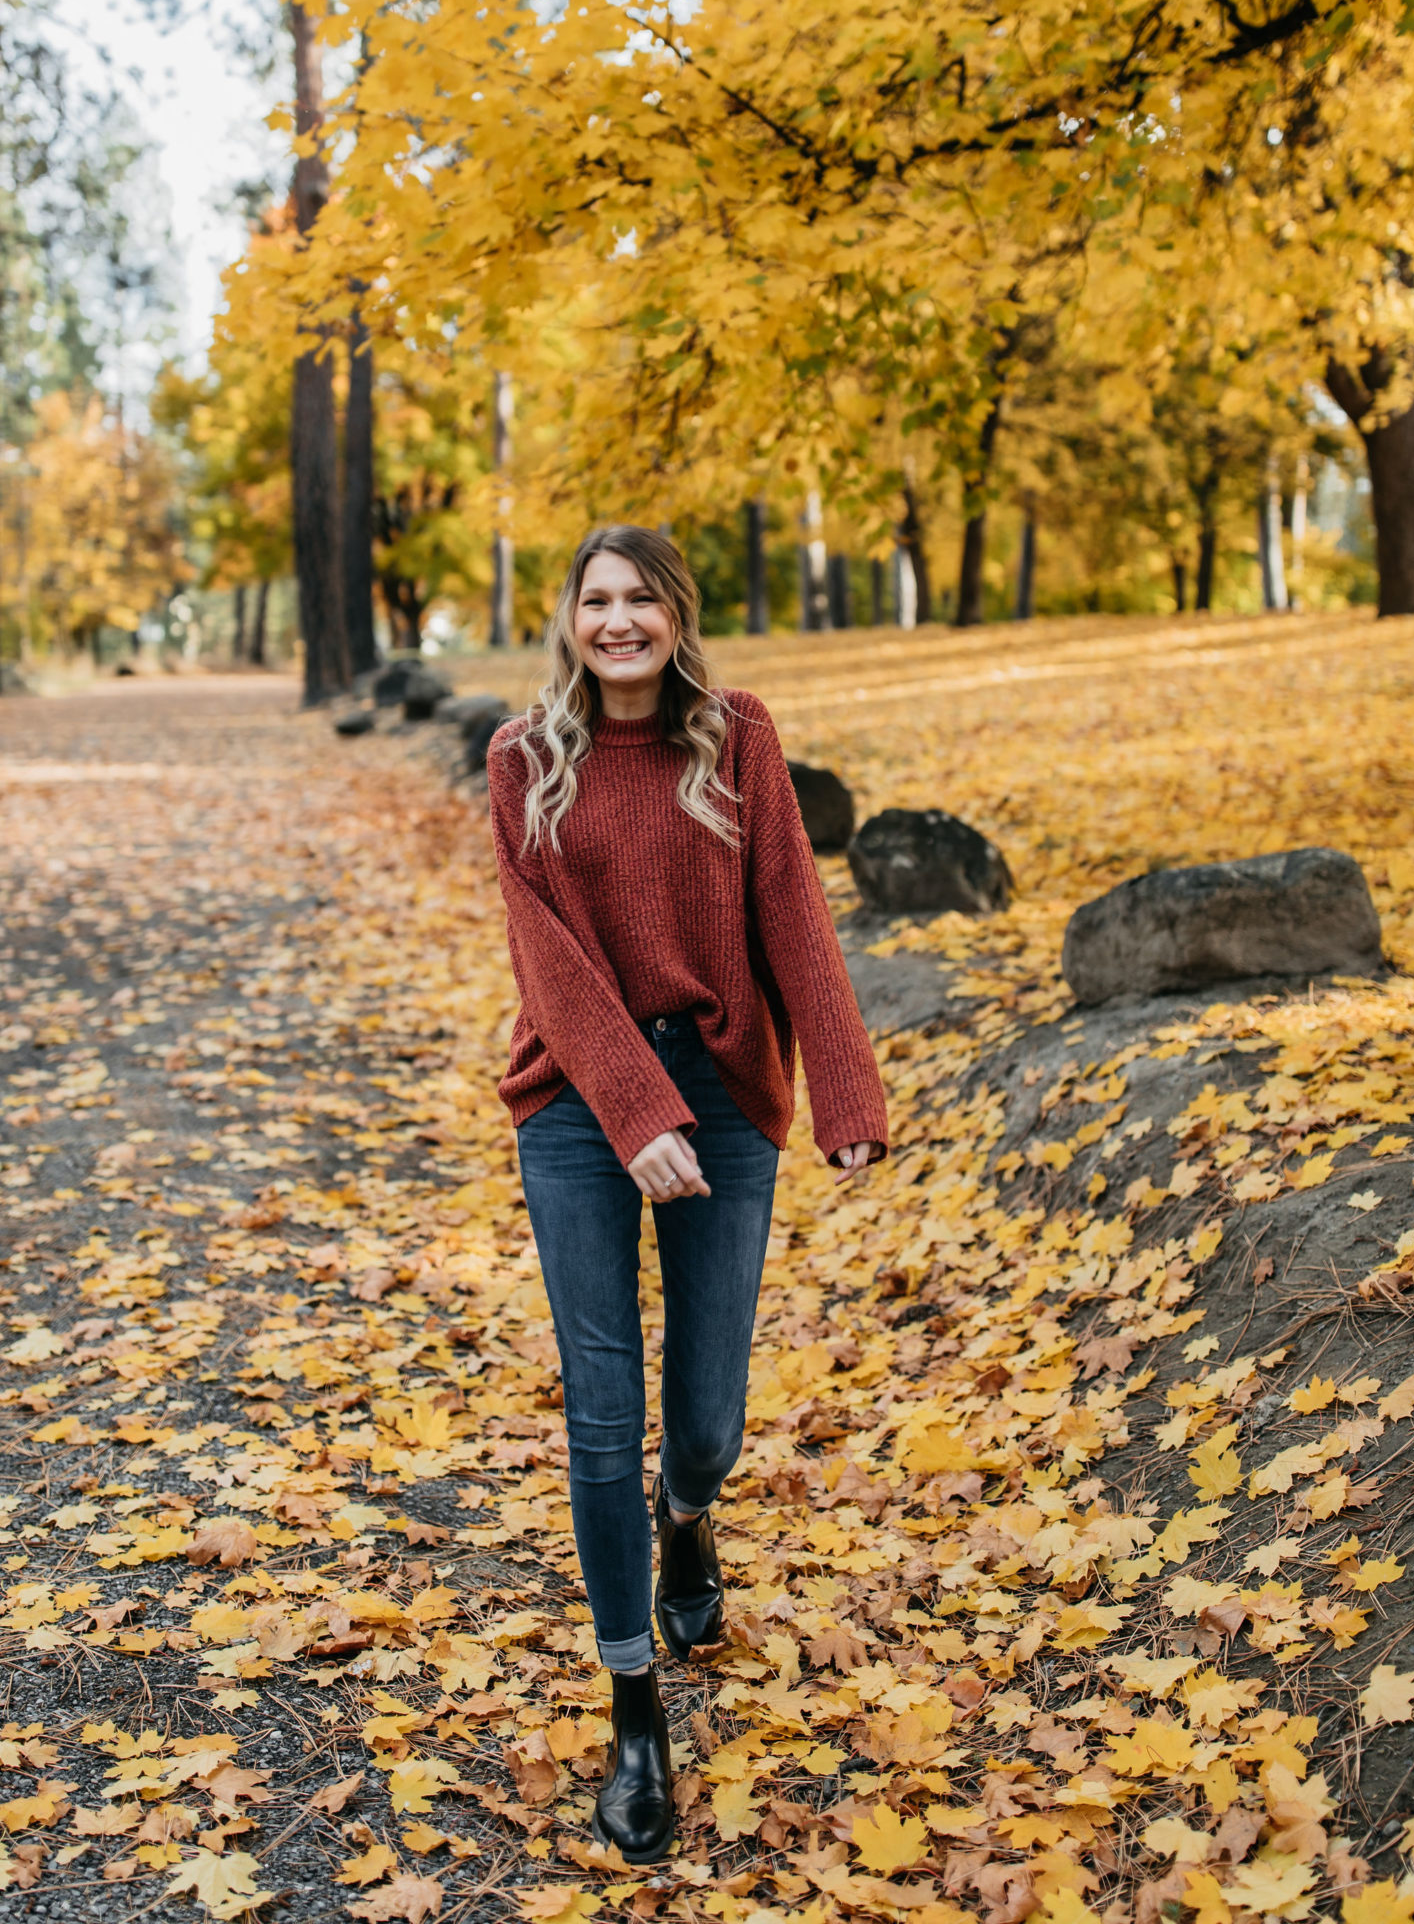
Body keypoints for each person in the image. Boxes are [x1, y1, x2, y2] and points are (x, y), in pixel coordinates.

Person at [486, 524, 888, 1863]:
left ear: (677, 615)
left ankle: (687, 1517)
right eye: (595, 601)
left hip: (721, 1083)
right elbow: (546, 959)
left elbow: (793, 916)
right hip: (577, 1098)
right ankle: (635, 1713)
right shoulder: (524, 760)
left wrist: (847, 1093)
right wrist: (629, 1108)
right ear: (569, 621)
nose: (618, 622)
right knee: (602, 1411)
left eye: (640, 599)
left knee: (704, 1420)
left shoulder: (738, 738)